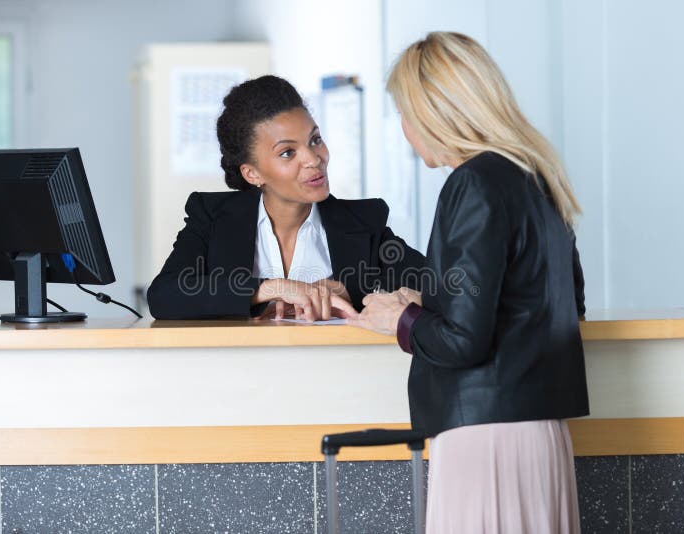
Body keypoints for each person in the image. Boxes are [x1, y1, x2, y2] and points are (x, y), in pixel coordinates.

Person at [348, 32, 589, 533]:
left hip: (486, 438)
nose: (404, 129)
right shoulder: (537, 177)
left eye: (405, 112)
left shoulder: (473, 183)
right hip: (541, 434)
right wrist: (431, 299)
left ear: (436, 111)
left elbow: (464, 341)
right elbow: (555, 302)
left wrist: (401, 318)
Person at [147, 75, 424, 321]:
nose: (314, 159)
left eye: (314, 139)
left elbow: (442, 285)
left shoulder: (364, 221)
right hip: (238, 373)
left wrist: (347, 289)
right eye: (287, 153)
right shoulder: (212, 216)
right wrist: (270, 288)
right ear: (252, 173)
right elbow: (164, 295)